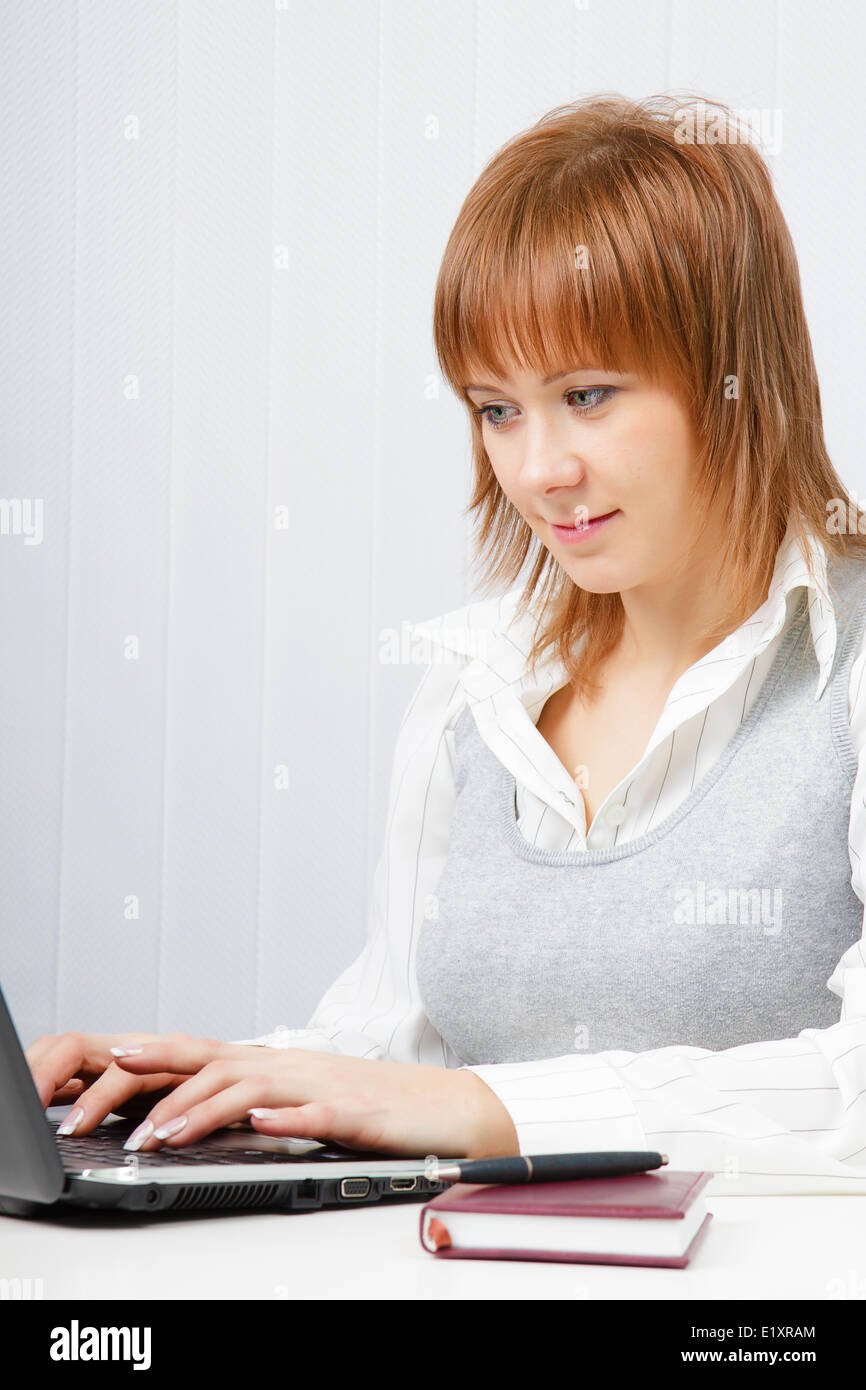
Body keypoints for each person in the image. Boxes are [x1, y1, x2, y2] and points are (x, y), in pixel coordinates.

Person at [26, 94, 866, 1194]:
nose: (539, 471)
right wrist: (200, 1087)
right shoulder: (481, 684)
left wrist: (487, 1108)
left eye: (587, 395)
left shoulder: (846, 670)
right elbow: (392, 1059)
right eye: (496, 409)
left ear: (735, 377)